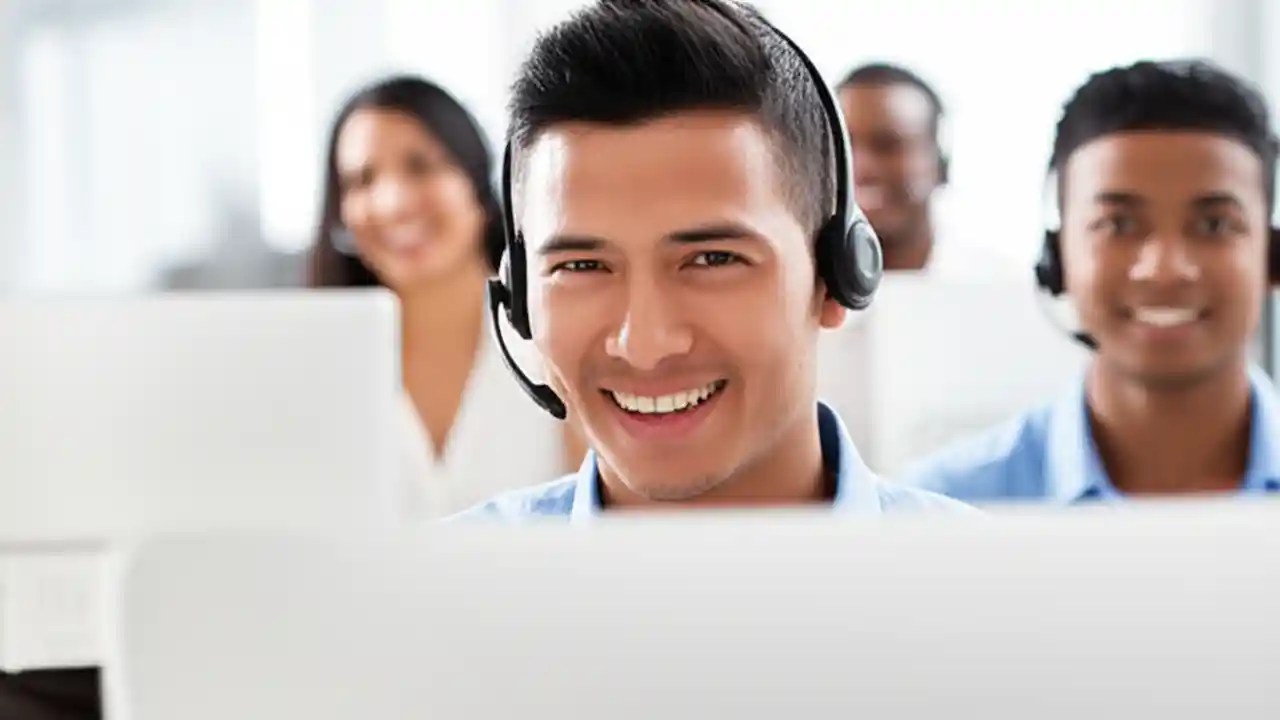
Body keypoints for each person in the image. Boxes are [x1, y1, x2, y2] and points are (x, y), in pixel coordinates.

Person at [458, 0, 972, 520]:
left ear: (835, 275)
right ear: (519, 298)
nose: (646, 346)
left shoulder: (996, 588)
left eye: (712, 259)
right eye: (582, 266)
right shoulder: (437, 588)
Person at [903, 60, 1280, 504]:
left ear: (1270, 256)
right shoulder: (942, 509)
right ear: (1057, 256)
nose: (1163, 269)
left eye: (1215, 225)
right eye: (1118, 224)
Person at [310, 75, 583, 517]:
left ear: (475, 181)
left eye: (420, 166)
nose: (393, 202)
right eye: (361, 180)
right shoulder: (322, 369)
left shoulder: (552, 333)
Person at [837, 63, 949, 272]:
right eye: (843, 146)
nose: (860, 167)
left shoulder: (1001, 288)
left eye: (887, 145)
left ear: (941, 166)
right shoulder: (794, 286)